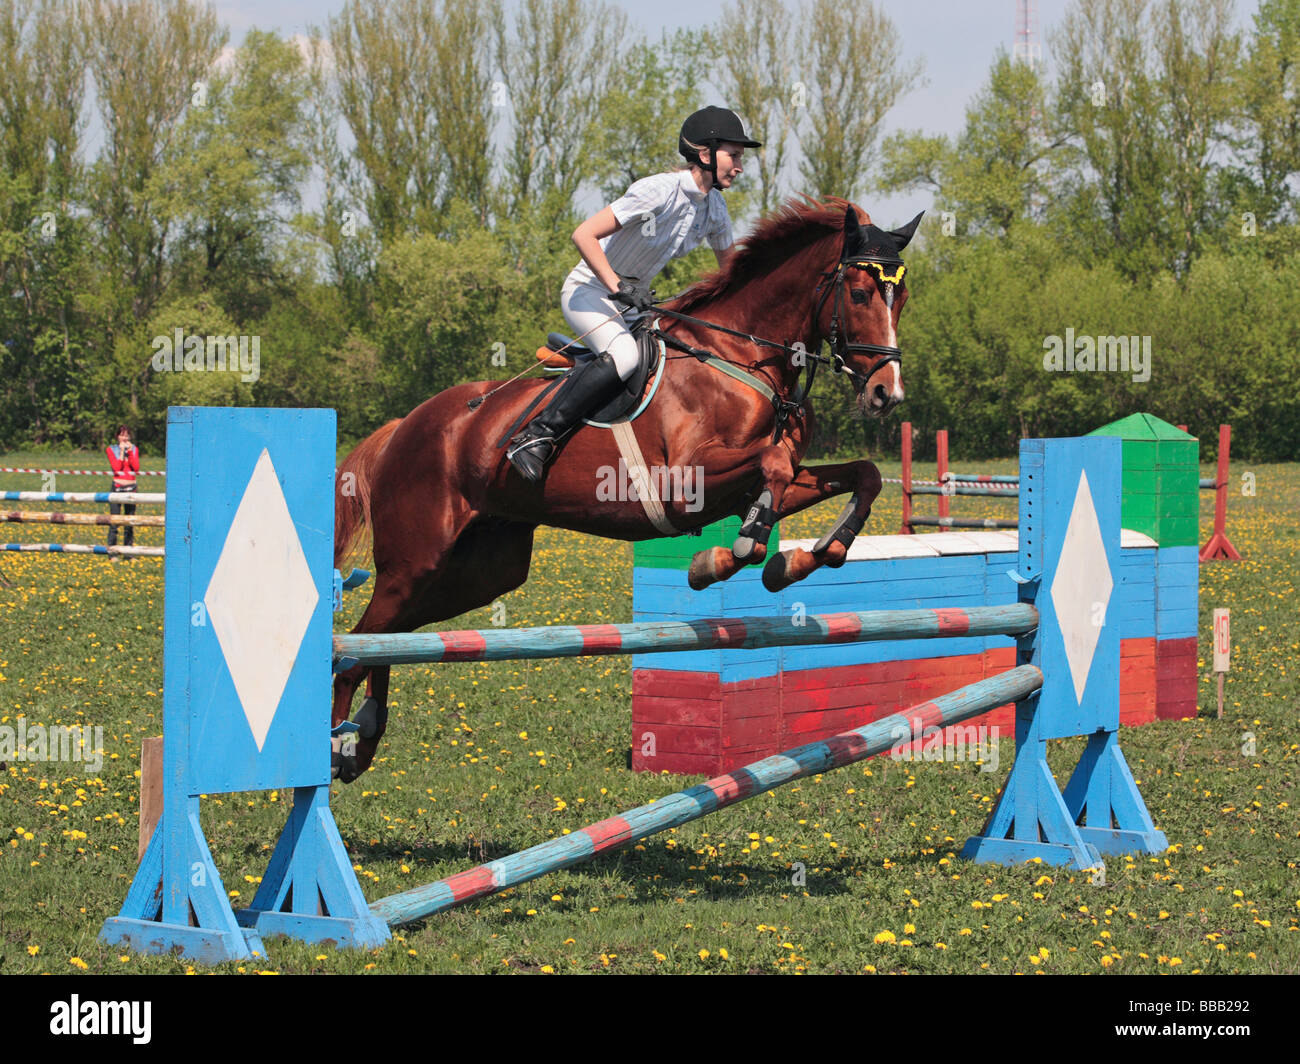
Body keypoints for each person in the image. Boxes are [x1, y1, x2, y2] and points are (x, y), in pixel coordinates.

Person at [507, 106, 761, 482]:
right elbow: (583, 234)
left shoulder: (715, 208)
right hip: (590, 291)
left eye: (740, 158)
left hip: (633, 304)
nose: (739, 166)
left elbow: (732, 275)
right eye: (734, 156)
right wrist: (617, 286)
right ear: (705, 154)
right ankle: (536, 435)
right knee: (624, 356)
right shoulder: (657, 191)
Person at [105, 425, 139, 553]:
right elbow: (116, 468)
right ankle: (112, 552)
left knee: (129, 522)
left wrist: (129, 451)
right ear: (117, 436)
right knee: (114, 521)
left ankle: (128, 553)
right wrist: (120, 452)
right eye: (122, 435)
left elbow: (135, 468)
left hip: (131, 488)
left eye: (126, 435)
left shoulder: (134, 449)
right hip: (117, 487)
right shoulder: (111, 449)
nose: (124, 438)